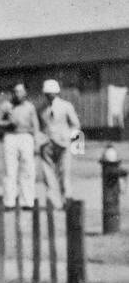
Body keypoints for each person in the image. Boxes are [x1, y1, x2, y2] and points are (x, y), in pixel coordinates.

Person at [0, 83, 39, 210]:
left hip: (26, 137)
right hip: (10, 137)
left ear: (25, 93)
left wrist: (36, 142)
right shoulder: (6, 105)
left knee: (28, 170)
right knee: (10, 170)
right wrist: (7, 123)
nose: (18, 94)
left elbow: (35, 126)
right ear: (12, 93)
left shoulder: (30, 107)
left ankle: (27, 202)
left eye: (20, 91)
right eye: (15, 91)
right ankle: (9, 202)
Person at [38, 79, 81, 210]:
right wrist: (40, 140)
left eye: (52, 93)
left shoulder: (66, 106)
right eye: (47, 93)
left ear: (57, 93)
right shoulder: (41, 109)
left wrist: (76, 146)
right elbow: (39, 127)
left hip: (63, 143)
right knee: (48, 173)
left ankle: (67, 198)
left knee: (64, 172)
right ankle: (53, 200)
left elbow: (75, 124)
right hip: (47, 145)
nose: (49, 95)